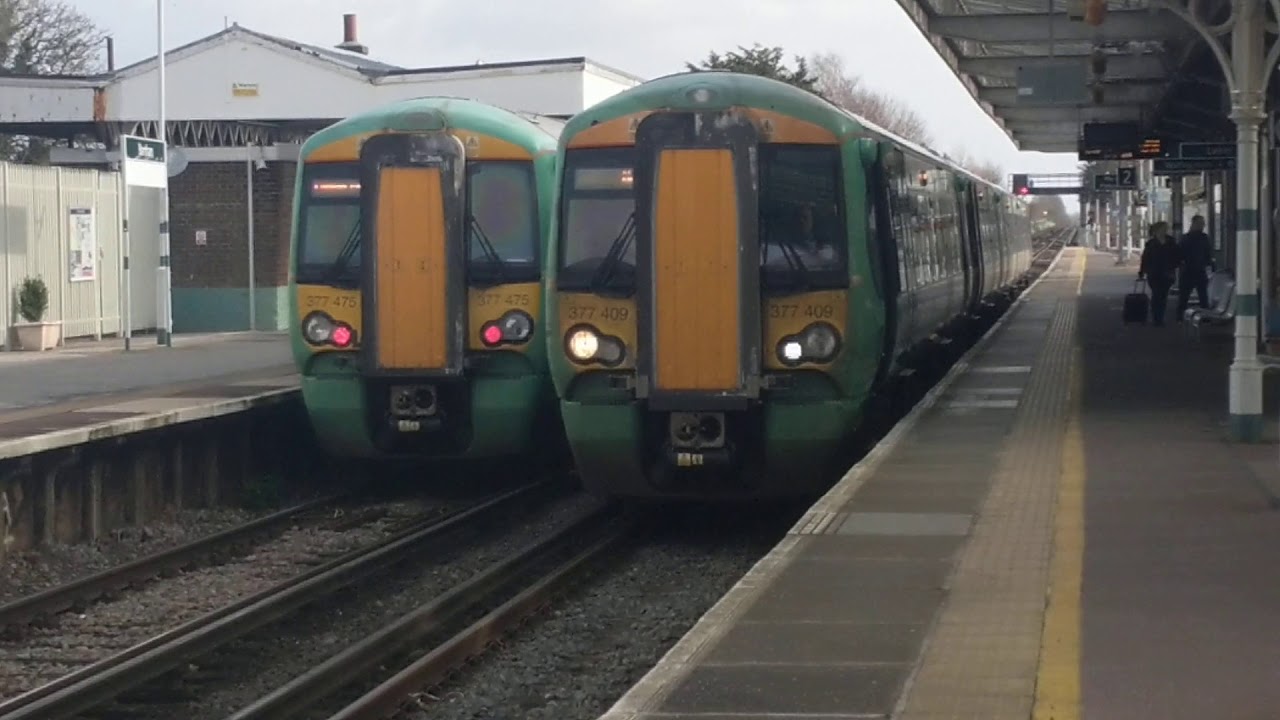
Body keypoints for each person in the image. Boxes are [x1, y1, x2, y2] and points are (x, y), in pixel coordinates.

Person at [1138, 221, 1180, 326]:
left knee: (1163, 295)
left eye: (1166, 229)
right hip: (1154, 273)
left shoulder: (1171, 242)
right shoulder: (1151, 243)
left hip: (1167, 273)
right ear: (1157, 230)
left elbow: (1177, 256)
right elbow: (1145, 258)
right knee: (1157, 294)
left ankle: (1159, 316)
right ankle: (1157, 318)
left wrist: (1174, 265)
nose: (1164, 231)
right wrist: (1142, 271)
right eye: (1162, 229)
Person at [1176, 214, 1215, 319]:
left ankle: (1204, 316)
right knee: (1185, 296)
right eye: (1200, 223)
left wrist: (1209, 264)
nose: (1202, 226)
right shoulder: (1188, 238)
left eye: (1203, 224)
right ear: (1193, 223)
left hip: (1197, 270)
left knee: (1202, 296)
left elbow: (1208, 253)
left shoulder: (1199, 238)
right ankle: (1181, 316)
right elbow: (1179, 254)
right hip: (1189, 270)